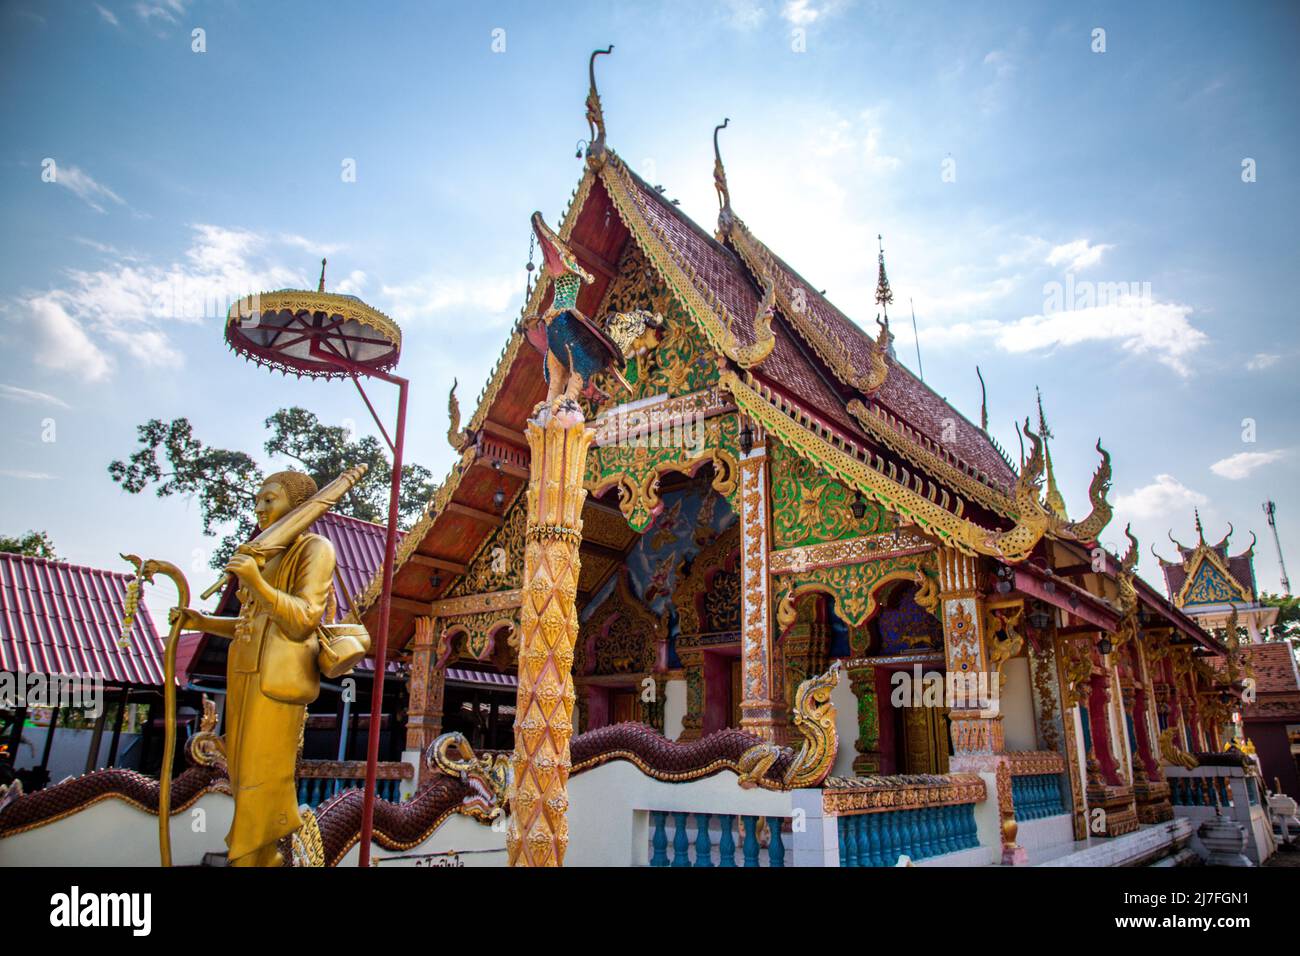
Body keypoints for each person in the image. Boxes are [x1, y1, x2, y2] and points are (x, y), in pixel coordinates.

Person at [174, 470, 334, 867]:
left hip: (279, 681)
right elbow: (251, 622)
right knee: (244, 779)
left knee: (265, 777)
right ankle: (255, 856)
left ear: (297, 506)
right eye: (258, 500)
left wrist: (256, 583)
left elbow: (304, 620)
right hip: (246, 673)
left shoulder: (315, 549)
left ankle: (255, 858)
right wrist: (203, 622)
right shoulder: (264, 555)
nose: (260, 508)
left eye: (270, 499)